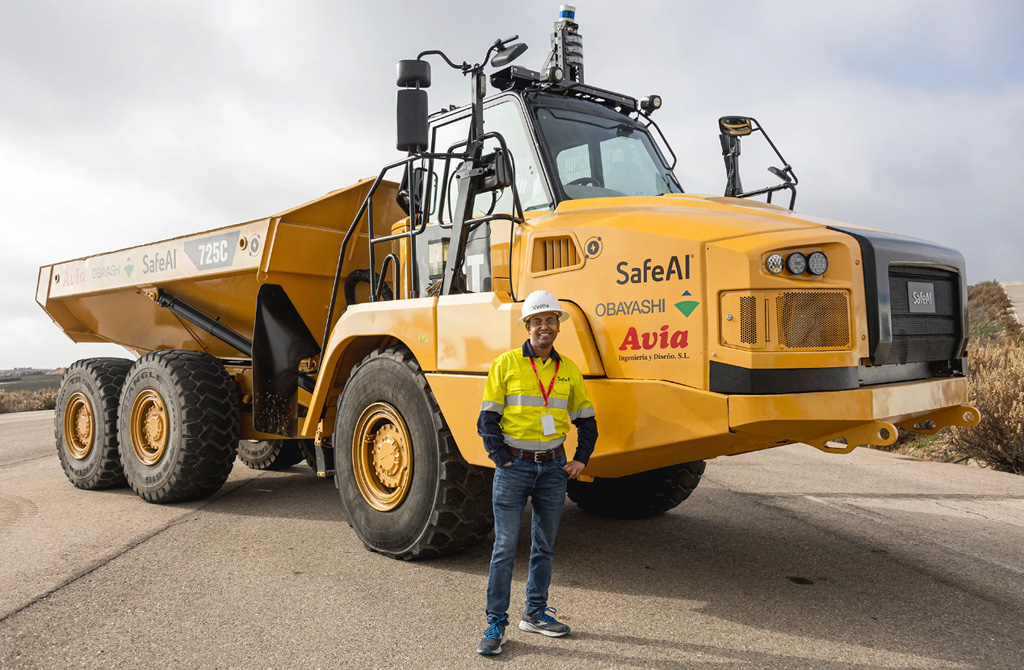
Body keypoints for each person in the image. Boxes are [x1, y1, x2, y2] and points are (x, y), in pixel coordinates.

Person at [475, 289, 598, 656]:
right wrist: (504, 459)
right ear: (527, 326)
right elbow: (487, 421)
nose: (544, 326)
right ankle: (496, 623)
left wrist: (581, 459)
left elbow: (587, 422)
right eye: (537, 321)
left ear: (557, 326)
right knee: (505, 548)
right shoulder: (507, 364)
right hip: (516, 468)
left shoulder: (569, 370)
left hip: (554, 468)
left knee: (544, 547)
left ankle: (535, 613)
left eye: (550, 320)